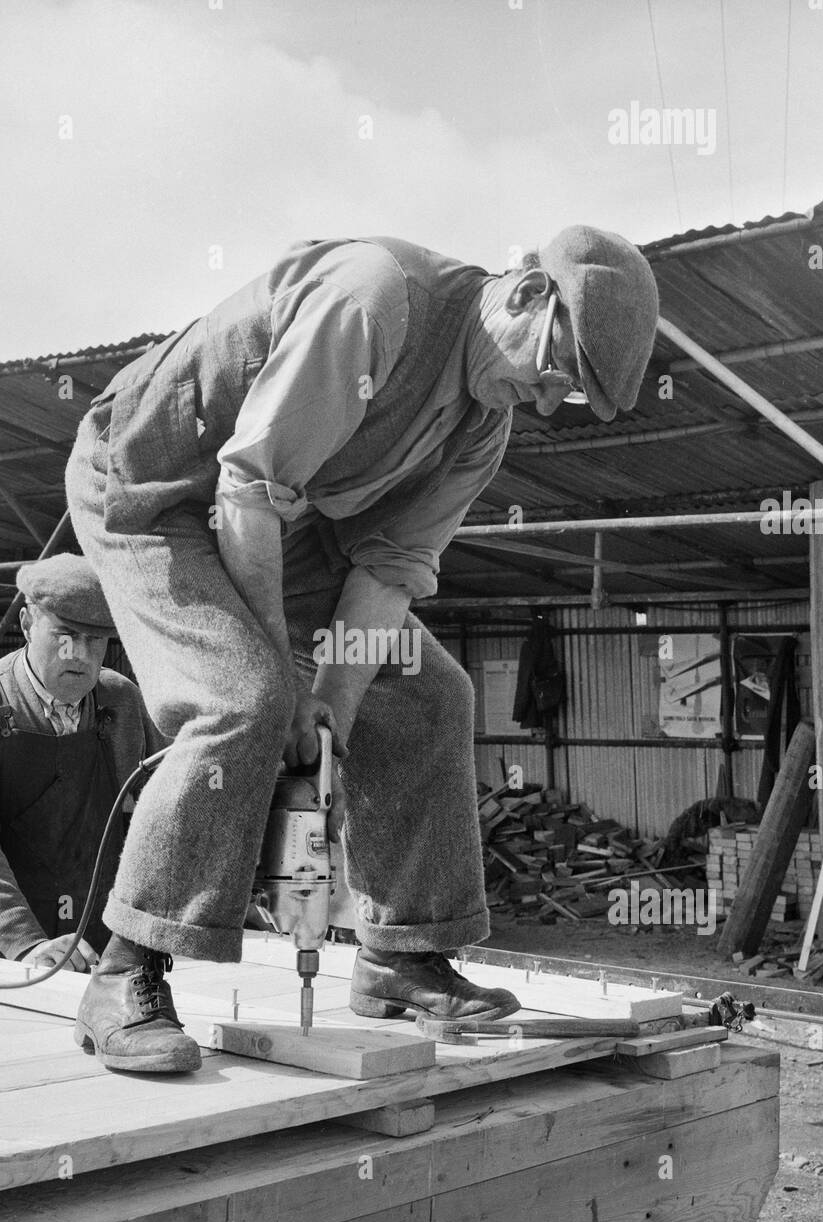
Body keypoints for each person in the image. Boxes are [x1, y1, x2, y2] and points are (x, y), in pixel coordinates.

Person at [64, 226, 660, 1075]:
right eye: (558, 369)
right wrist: (286, 686)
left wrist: (331, 720)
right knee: (246, 699)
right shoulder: (376, 301)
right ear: (530, 294)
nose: (549, 399)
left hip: (281, 524)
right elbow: (249, 491)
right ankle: (124, 970)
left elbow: (386, 572)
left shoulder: (481, 429)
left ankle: (400, 959)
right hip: (153, 489)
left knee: (425, 696)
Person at [0, 556, 179, 1049]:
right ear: (26, 622)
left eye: (95, 640)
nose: (78, 653)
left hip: (83, 931)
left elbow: (167, 810)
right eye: (64, 634)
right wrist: (27, 944)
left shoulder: (120, 703)